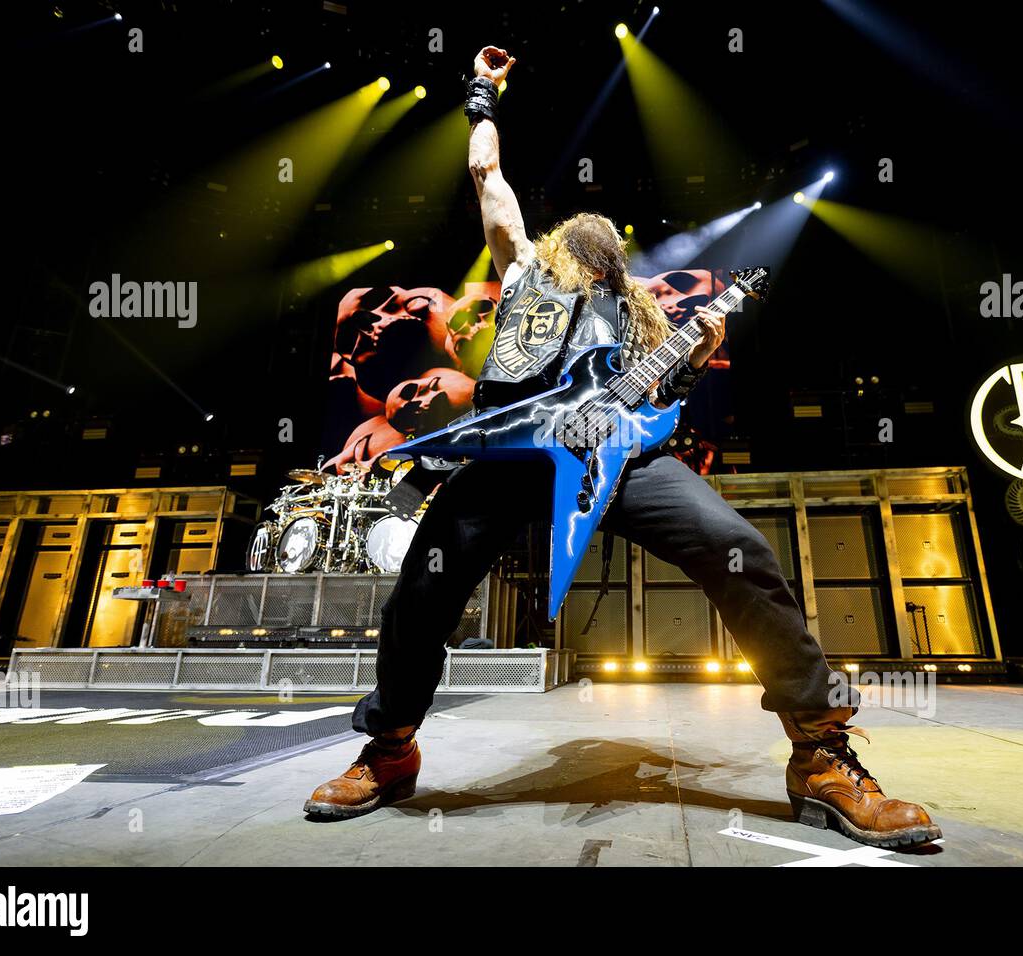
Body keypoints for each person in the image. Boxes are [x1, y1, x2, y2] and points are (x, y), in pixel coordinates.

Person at [305, 46, 940, 849]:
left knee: (736, 546)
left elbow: (658, 404)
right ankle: (390, 750)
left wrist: (697, 356)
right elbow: (485, 177)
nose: (590, 231)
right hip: (508, 458)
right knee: (419, 597)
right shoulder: (526, 268)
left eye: (604, 234)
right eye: (581, 228)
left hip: (618, 457)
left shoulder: (642, 317)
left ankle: (820, 755)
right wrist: (482, 94)